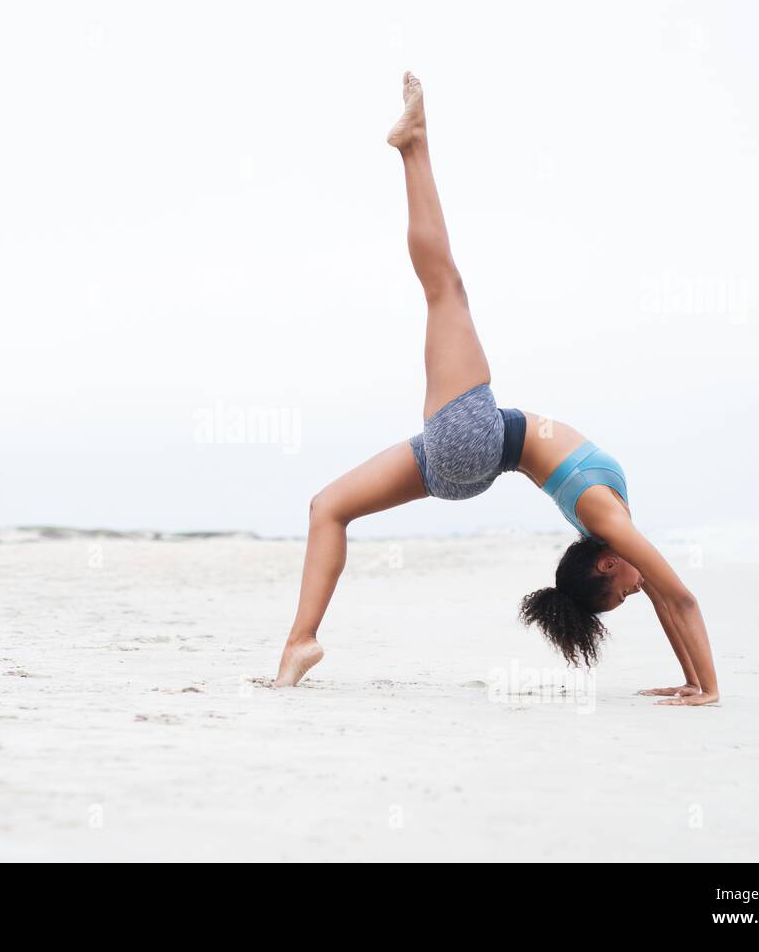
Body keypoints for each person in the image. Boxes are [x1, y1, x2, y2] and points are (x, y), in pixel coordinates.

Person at [272, 73, 719, 707]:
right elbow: (676, 599)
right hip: (469, 458)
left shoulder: (605, 519)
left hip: (475, 441)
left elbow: (677, 598)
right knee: (328, 508)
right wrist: (701, 683)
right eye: (624, 596)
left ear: (604, 561)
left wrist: (705, 685)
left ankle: (414, 146)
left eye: (621, 594)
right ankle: (300, 642)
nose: (635, 591)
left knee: (445, 287)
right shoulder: (607, 522)